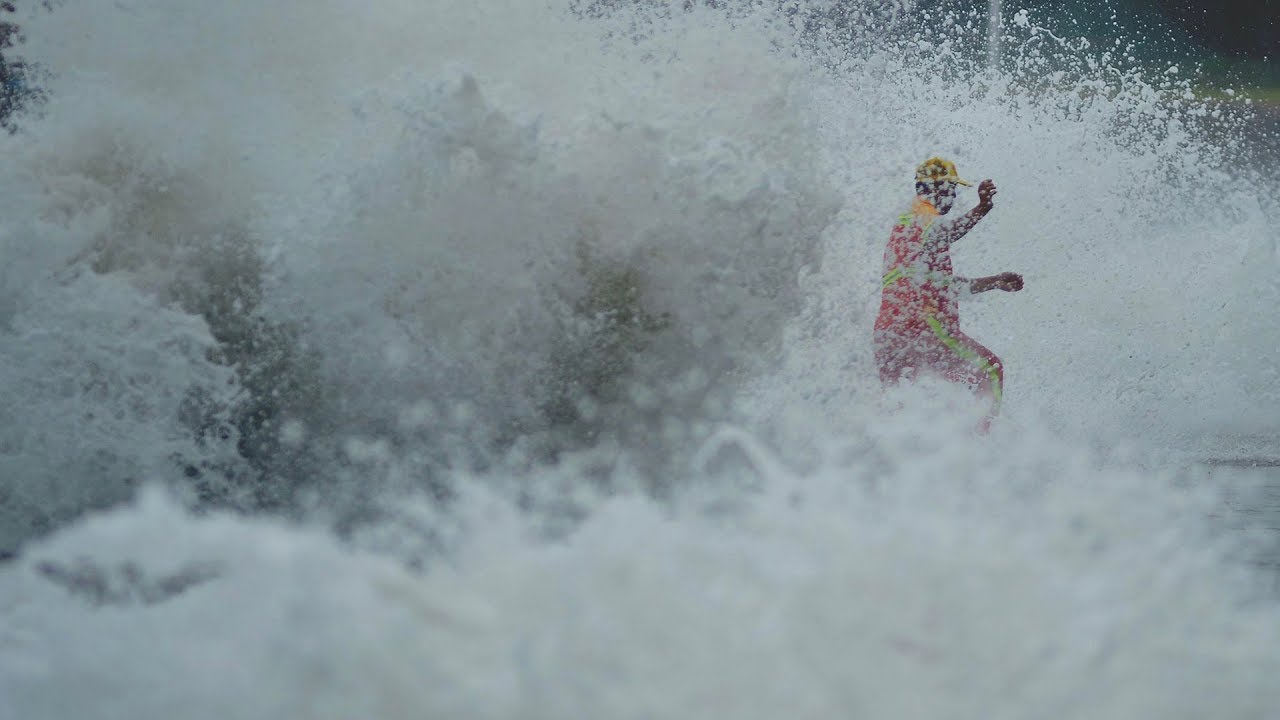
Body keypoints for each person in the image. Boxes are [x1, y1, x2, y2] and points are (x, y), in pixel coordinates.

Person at [873, 157, 1023, 431]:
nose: (953, 199)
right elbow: (944, 234)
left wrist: (995, 282)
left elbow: (948, 286)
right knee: (988, 369)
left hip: (888, 335)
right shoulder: (921, 213)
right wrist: (982, 209)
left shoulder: (910, 233)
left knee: (905, 404)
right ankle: (983, 443)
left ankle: (902, 457)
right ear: (937, 189)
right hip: (920, 326)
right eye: (952, 190)